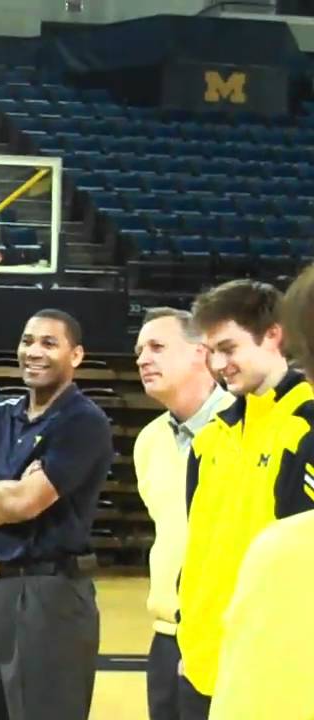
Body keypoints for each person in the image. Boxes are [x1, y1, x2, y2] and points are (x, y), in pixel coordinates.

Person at [0, 309, 113, 720]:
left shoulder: (83, 422)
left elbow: (25, 504)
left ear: (76, 356)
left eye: (49, 343)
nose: (33, 352)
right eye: (27, 340)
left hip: (47, 593)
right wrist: (7, 493)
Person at [176, 279, 314, 719]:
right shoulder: (209, 439)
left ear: (273, 335)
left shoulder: (304, 427)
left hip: (270, 670)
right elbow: (196, 548)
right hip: (200, 665)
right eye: (211, 352)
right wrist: (188, 636)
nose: (219, 364)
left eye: (229, 348)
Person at [131, 308, 233, 720]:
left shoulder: (244, 427)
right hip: (167, 634)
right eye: (139, 350)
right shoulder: (148, 440)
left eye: (156, 347)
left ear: (201, 353)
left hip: (229, 635)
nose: (141, 359)